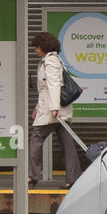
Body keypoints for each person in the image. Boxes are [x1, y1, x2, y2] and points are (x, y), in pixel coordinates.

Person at [28, 31, 82, 188]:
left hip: (53, 111)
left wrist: (54, 108)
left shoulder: (50, 62)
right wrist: (38, 107)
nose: (35, 51)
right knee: (67, 145)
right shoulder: (56, 60)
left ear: (43, 46)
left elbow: (53, 85)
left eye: (37, 47)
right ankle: (73, 179)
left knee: (36, 139)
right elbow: (46, 88)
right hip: (58, 110)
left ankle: (33, 174)